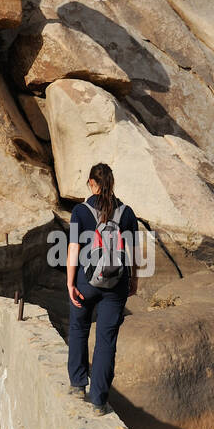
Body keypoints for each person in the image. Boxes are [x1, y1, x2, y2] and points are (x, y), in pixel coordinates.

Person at [66, 163, 139, 415]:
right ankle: (98, 402)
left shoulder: (80, 211)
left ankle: (77, 384)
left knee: (78, 327)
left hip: (86, 282)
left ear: (91, 183)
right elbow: (132, 252)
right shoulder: (127, 213)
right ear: (112, 184)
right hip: (116, 283)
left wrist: (70, 282)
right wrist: (134, 279)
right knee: (106, 341)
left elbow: (73, 249)